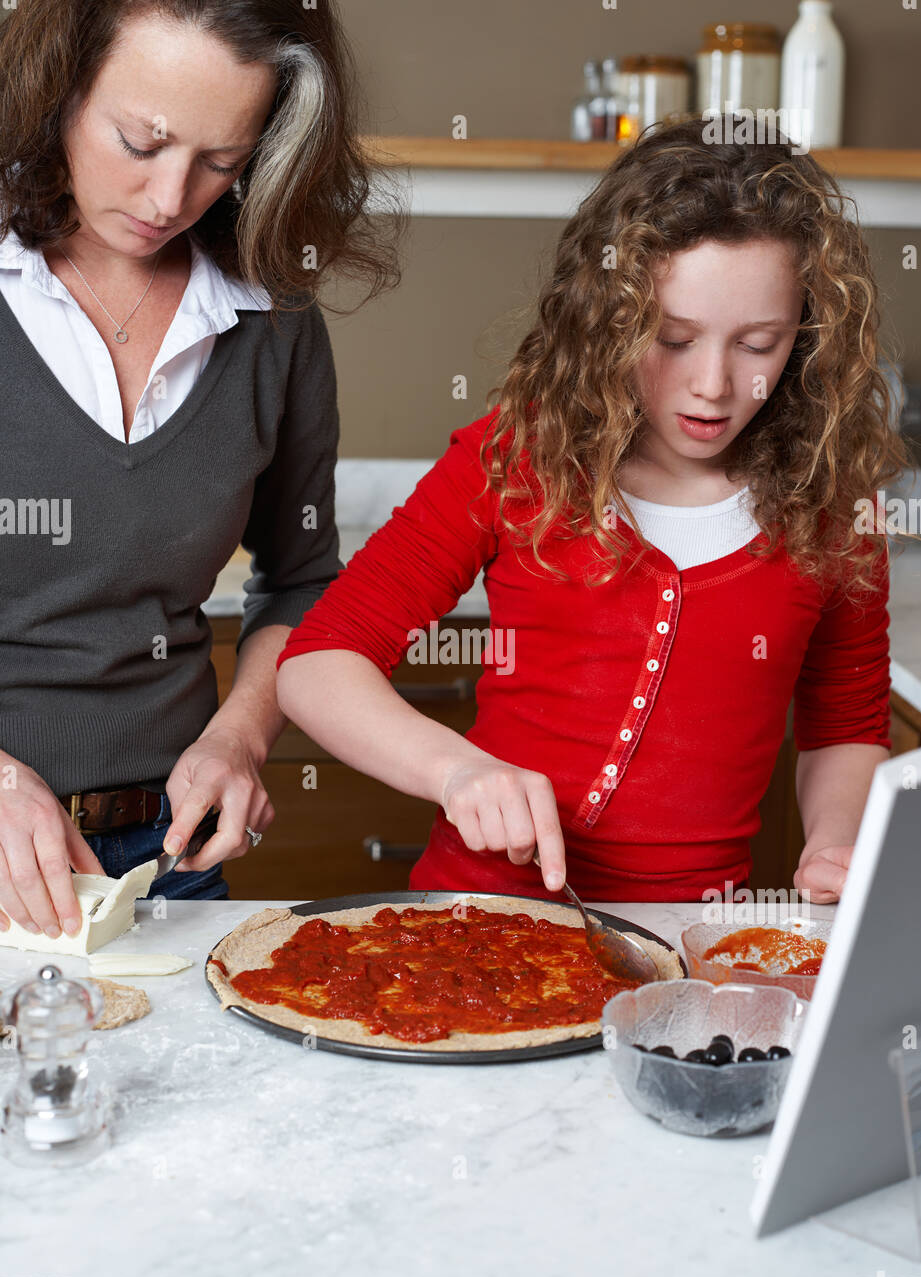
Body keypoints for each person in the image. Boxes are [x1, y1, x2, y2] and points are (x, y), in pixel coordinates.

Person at [276, 117, 907, 907]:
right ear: (610, 316)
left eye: (758, 343)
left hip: (690, 943)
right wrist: (455, 770)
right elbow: (316, 663)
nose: (712, 383)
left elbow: (844, 726)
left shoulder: (832, 501)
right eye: (672, 338)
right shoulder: (518, 459)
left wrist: (836, 844)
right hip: (486, 916)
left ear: (805, 336)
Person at [0, 0, 401, 940]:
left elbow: (300, 582)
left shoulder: (274, 318)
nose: (169, 199)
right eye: (141, 141)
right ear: (55, 89)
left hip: (164, 865)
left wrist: (238, 738)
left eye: (221, 162)